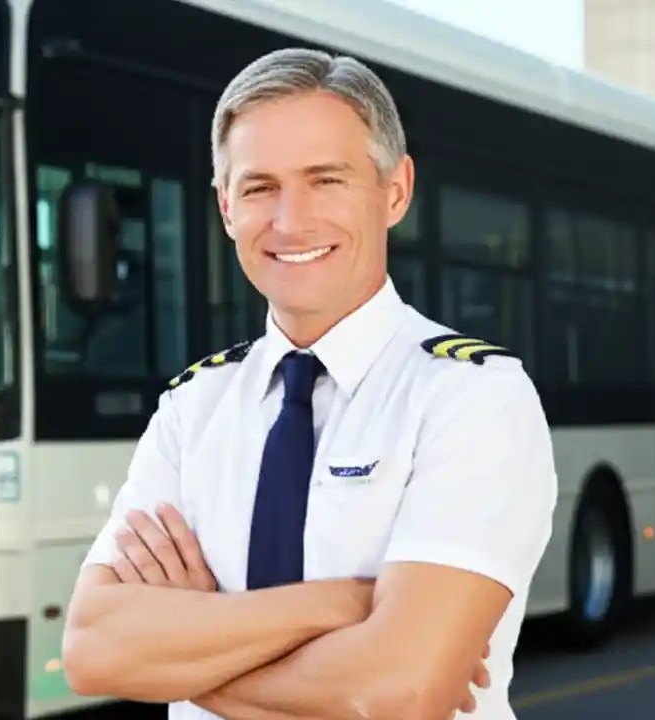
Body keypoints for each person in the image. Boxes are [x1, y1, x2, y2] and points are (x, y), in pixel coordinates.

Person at [61, 47, 557, 720]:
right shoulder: (193, 407)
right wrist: (345, 603)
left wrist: (178, 657)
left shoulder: (471, 397)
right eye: (259, 187)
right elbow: (91, 650)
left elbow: (398, 692)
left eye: (326, 180)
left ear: (395, 190)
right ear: (226, 207)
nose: (291, 221)